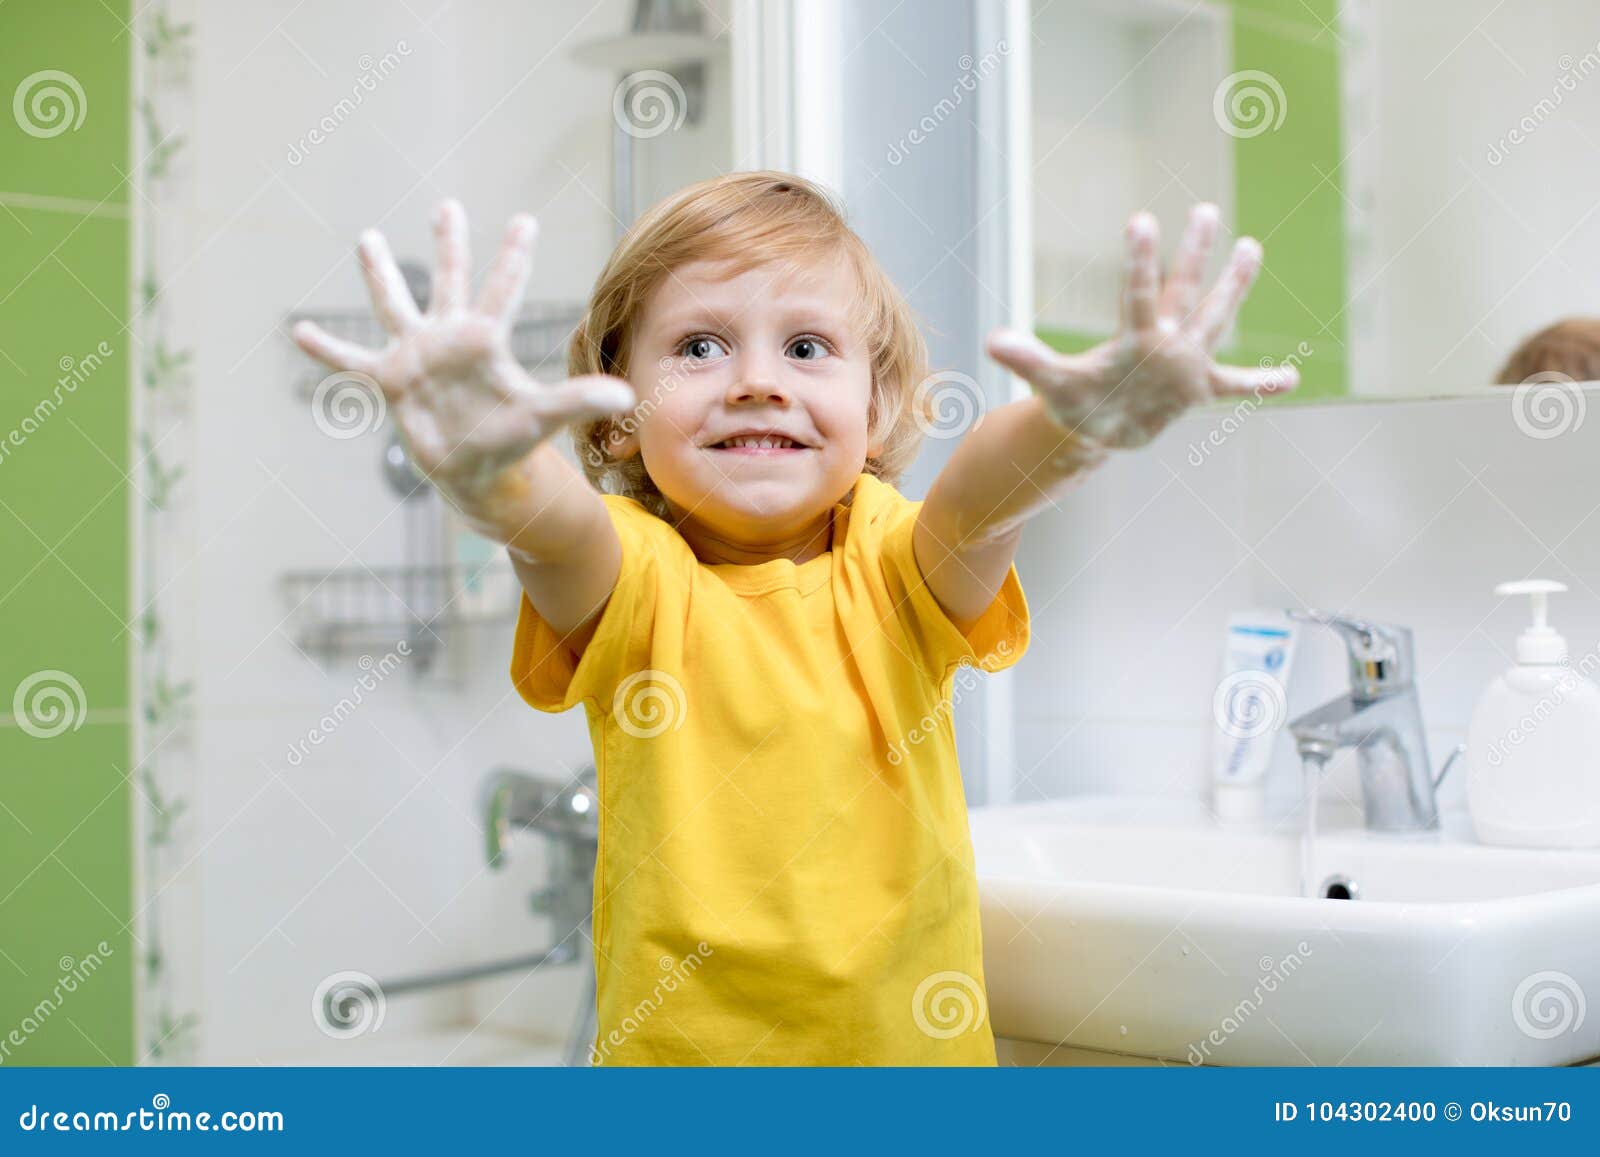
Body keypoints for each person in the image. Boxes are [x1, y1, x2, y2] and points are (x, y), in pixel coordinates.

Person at [291, 170, 1295, 1065]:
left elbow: (986, 488)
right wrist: (483, 466)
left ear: (878, 398)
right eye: (697, 345)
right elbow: (549, 526)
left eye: (806, 345)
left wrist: (1072, 431)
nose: (756, 378)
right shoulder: (638, 576)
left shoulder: (897, 568)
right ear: (617, 413)